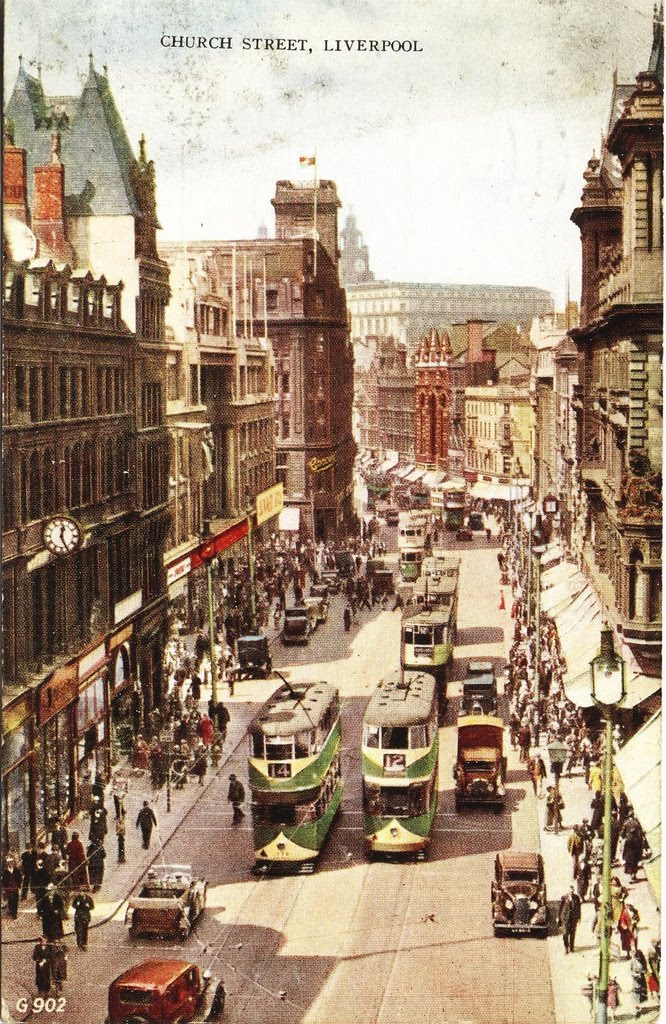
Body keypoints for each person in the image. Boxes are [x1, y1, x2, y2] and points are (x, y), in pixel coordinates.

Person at [558, 885, 582, 953]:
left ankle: (571, 948)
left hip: (573, 918)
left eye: (572, 891)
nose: (571, 892)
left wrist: (579, 917)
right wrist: (558, 918)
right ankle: (566, 947)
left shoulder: (576, 897)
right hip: (565, 918)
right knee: (565, 933)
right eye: (570, 891)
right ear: (568, 891)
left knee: (572, 933)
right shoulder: (564, 897)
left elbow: (578, 908)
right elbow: (560, 908)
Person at [630, 948, 648, 1015]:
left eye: (638, 957)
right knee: (636, 993)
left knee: (641, 994)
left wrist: (643, 972)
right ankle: (637, 1009)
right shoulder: (632, 962)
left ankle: (639, 1007)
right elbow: (630, 971)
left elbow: (646, 970)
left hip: (642, 979)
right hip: (636, 980)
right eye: (636, 957)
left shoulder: (643, 961)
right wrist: (635, 974)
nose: (637, 958)